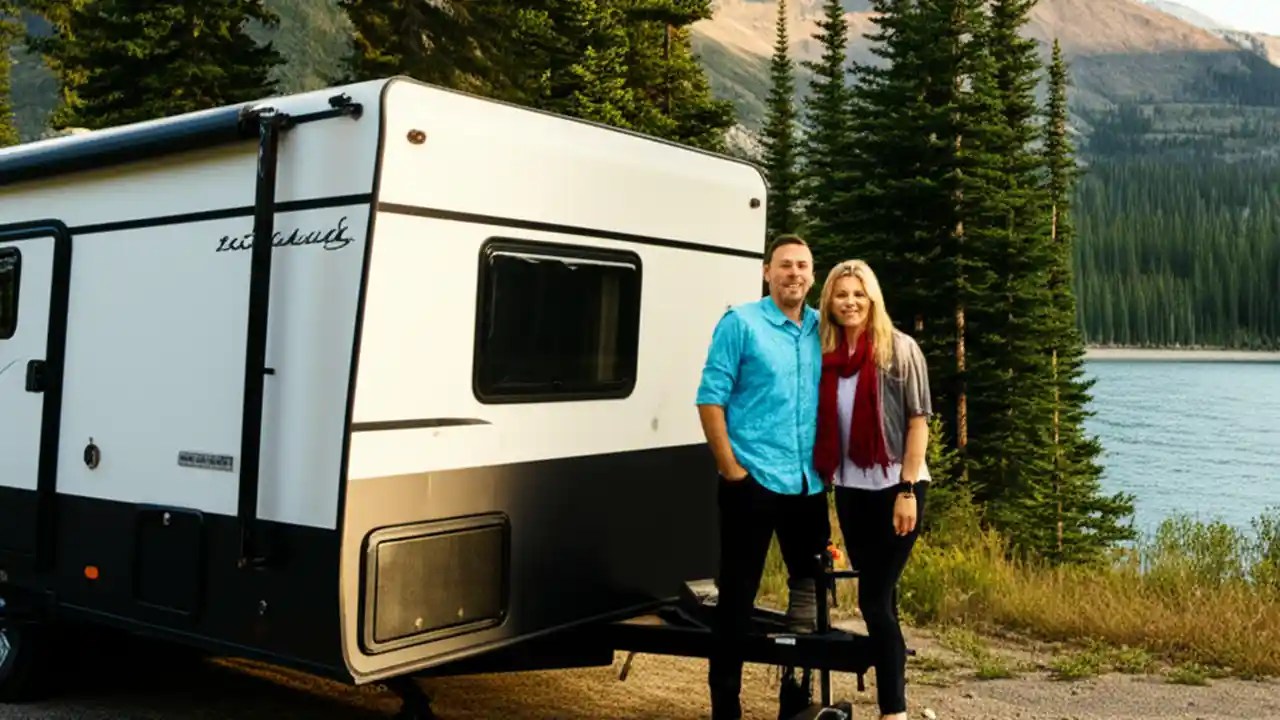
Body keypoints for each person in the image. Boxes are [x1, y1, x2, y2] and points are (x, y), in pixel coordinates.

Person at [695, 234, 832, 720]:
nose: (794, 274)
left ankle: (794, 702)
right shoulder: (741, 324)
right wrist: (731, 470)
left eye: (803, 266)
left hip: (808, 487)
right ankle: (725, 710)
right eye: (785, 265)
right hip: (751, 484)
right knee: (736, 600)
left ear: (813, 275)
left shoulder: (822, 327)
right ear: (766, 272)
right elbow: (710, 398)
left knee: (809, 603)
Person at [813, 259, 932, 720]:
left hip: (896, 490)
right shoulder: (827, 355)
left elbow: (918, 422)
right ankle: (893, 697)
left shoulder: (900, 350)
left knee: (873, 601)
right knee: (885, 602)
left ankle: (893, 713)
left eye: (858, 294)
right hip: (850, 489)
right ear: (830, 302)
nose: (850, 302)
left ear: (873, 299)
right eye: (841, 294)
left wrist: (906, 489)